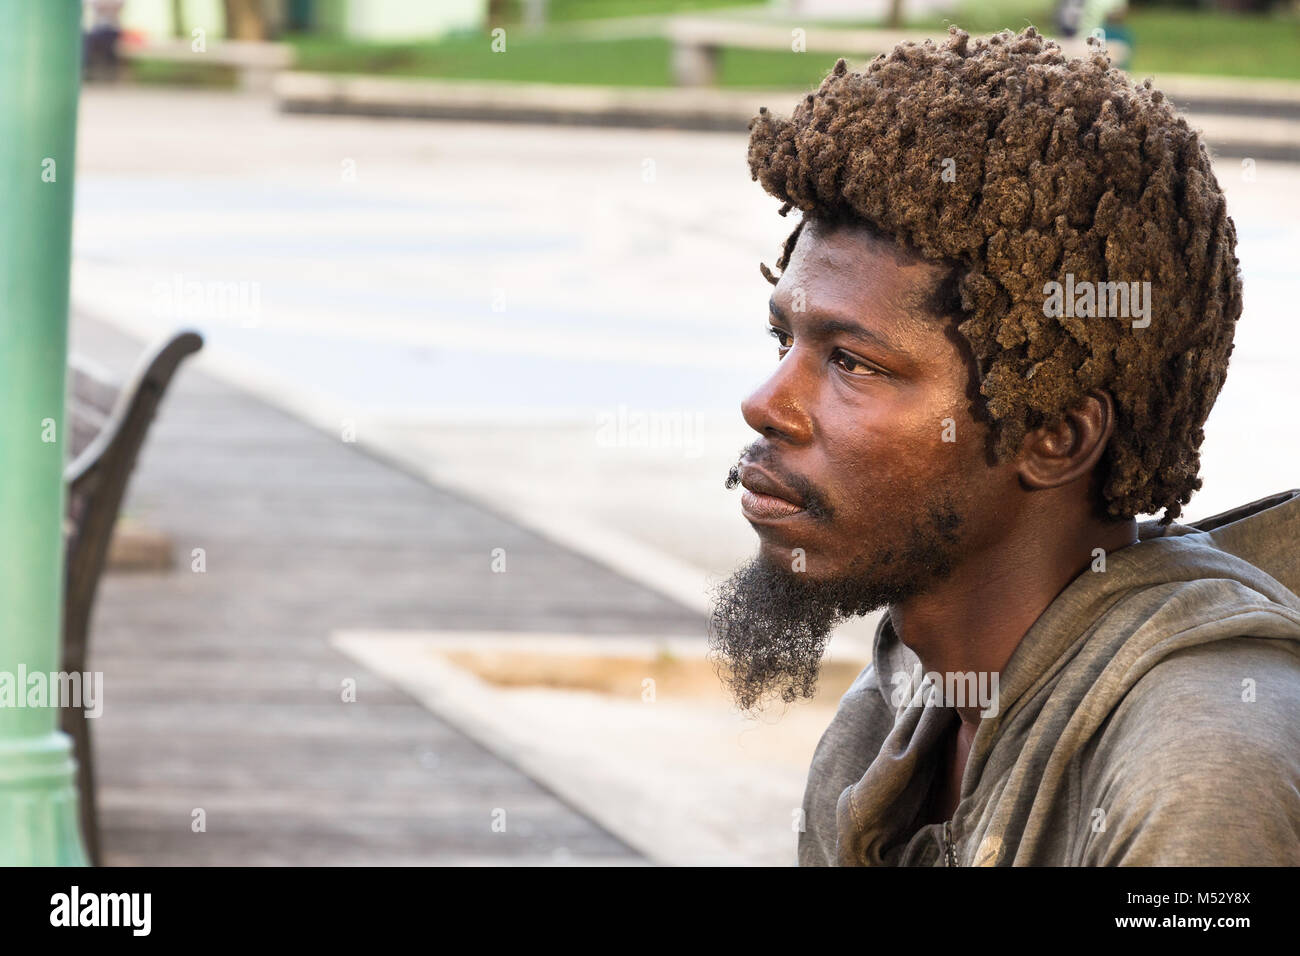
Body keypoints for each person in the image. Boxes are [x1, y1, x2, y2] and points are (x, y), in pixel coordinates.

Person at [707, 27, 1300, 866]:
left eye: (851, 362)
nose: (767, 405)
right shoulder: (888, 721)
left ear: (1055, 435)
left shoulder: (1201, 764)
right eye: (784, 345)